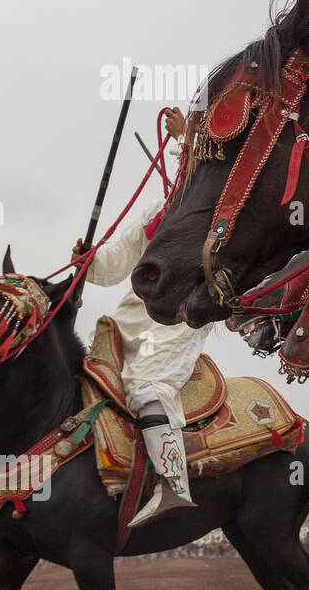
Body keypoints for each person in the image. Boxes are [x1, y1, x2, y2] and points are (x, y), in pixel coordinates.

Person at [70, 106, 212, 527]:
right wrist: (87, 261)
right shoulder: (155, 211)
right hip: (134, 312)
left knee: (147, 386)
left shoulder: (217, 213)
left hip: (181, 311)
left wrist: (188, 137)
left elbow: (217, 176)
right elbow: (116, 262)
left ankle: (173, 483)